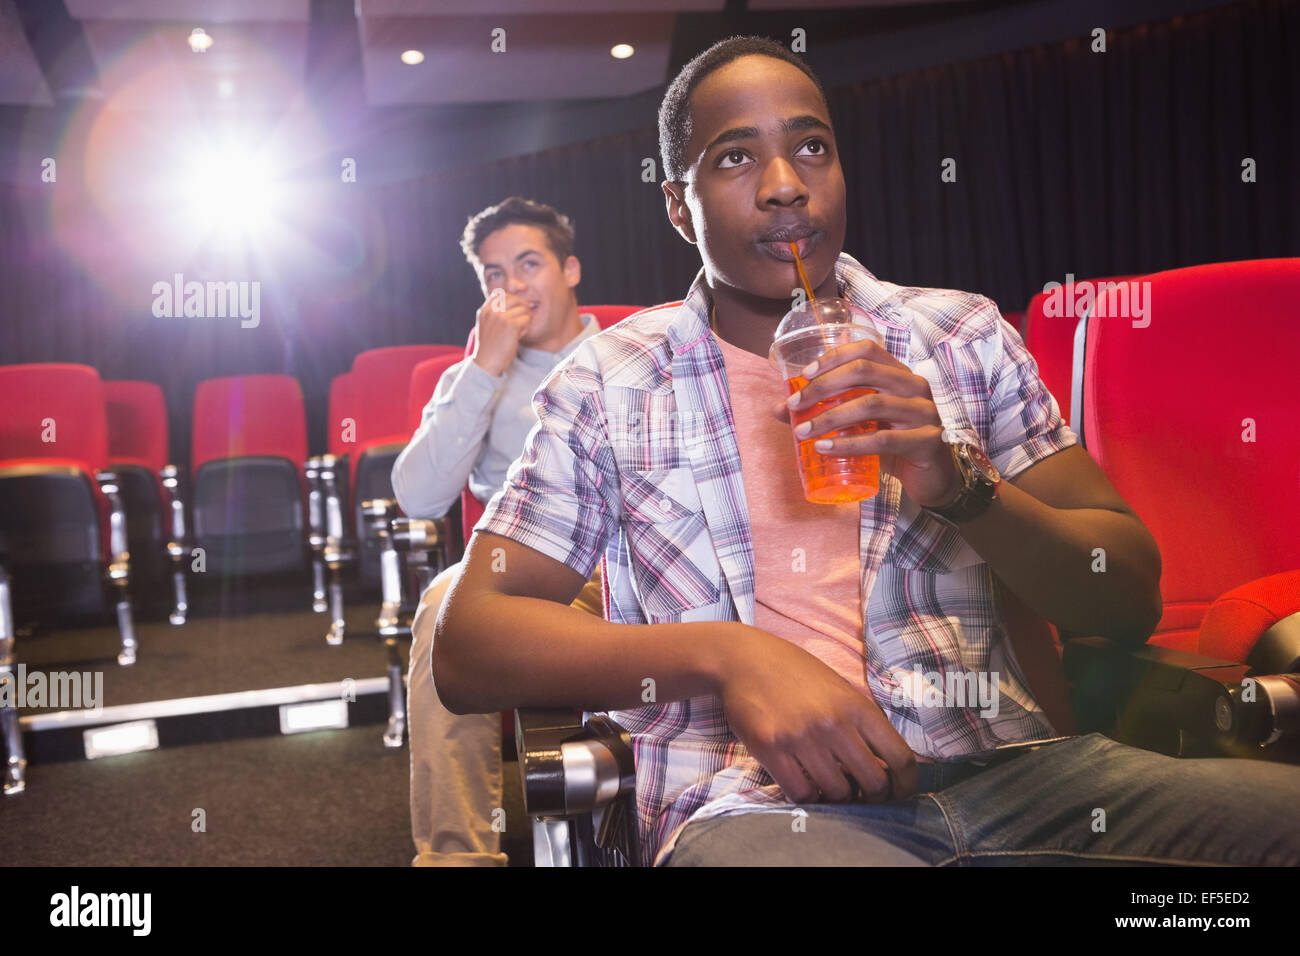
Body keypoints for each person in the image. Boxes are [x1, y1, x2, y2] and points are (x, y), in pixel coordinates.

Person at [432, 37, 1300, 866]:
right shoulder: (610, 380)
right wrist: (731, 655)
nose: (784, 186)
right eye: (736, 158)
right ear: (676, 205)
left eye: (811, 147)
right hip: (758, 807)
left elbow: (1125, 598)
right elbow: (470, 646)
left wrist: (958, 483)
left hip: (1022, 777)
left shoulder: (959, 333)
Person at [393, 196, 604, 866]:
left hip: (623, 573)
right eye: (492, 275)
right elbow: (419, 496)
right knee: (440, 608)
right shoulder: (470, 379)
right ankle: (458, 861)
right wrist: (486, 366)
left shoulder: (634, 352)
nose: (511, 285)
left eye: (528, 264)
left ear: (570, 269)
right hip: (509, 577)